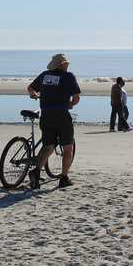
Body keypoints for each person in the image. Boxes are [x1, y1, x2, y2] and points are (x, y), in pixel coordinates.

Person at [27, 53, 81, 189]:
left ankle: (36, 172)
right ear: (62, 65)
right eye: (66, 63)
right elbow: (76, 97)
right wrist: (70, 104)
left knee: (48, 146)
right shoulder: (68, 76)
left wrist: (33, 94)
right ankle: (63, 178)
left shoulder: (45, 75)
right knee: (68, 148)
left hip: (46, 115)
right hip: (61, 115)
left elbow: (30, 88)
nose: (68, 65)